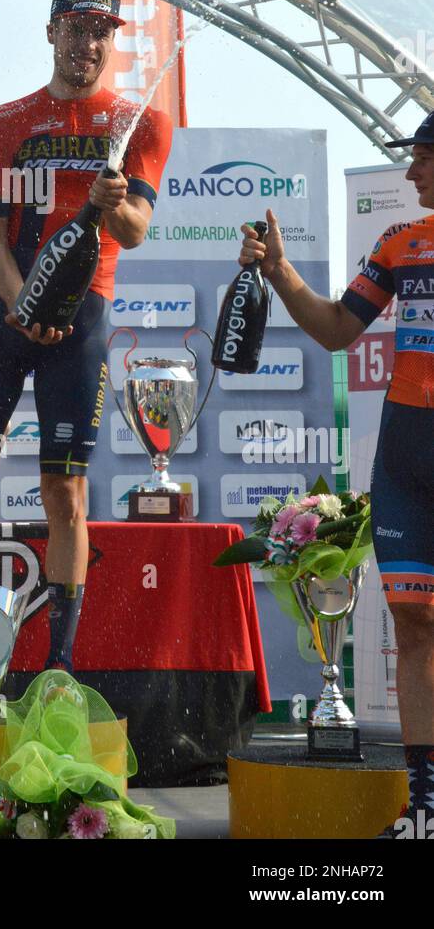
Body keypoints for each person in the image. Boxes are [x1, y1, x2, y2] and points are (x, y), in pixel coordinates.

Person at [0, 0, 173, 677]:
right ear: (51, 31)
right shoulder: (0, 123)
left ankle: (59, 667)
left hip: (84, 316)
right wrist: (22, 308)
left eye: (103, 31)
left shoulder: (140, 123)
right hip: (9, 308)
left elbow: (135, 232)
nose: (89, 44)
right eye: (77, 28)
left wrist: (113, 202)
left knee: (64, 491)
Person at [239, 114, 434, 837]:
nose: (411, 174)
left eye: (422, 160)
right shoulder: (401, 242)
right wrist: (279, 270)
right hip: (407, 459)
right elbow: (334, 330)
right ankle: (425, 805)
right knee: (413, 623)